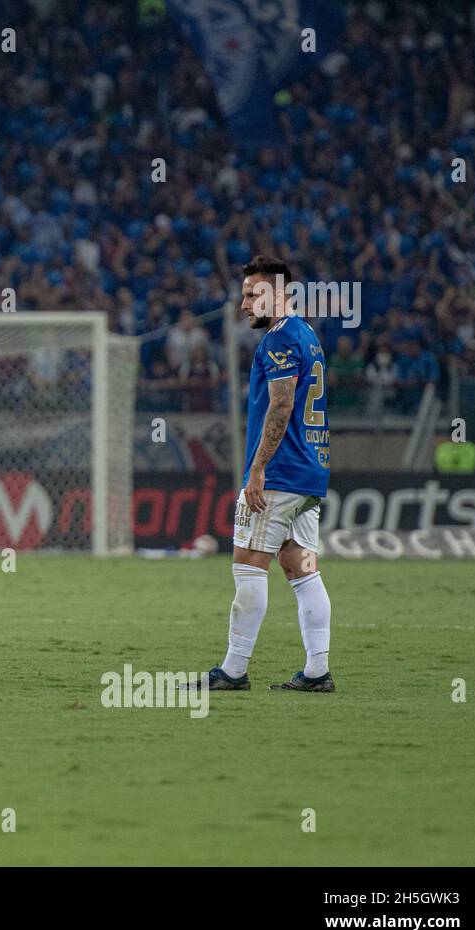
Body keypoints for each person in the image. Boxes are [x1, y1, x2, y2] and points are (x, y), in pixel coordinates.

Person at [188, 256, 334, 693]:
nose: (244, 304)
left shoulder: (279, 339)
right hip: (308, 476)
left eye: (253, 294)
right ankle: (316, 671)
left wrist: (257, 469)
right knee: (303, 569)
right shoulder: (306, 334)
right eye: (244, 294)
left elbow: (282, 404)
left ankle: (233, 671)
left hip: (279, 476)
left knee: (248, 568)